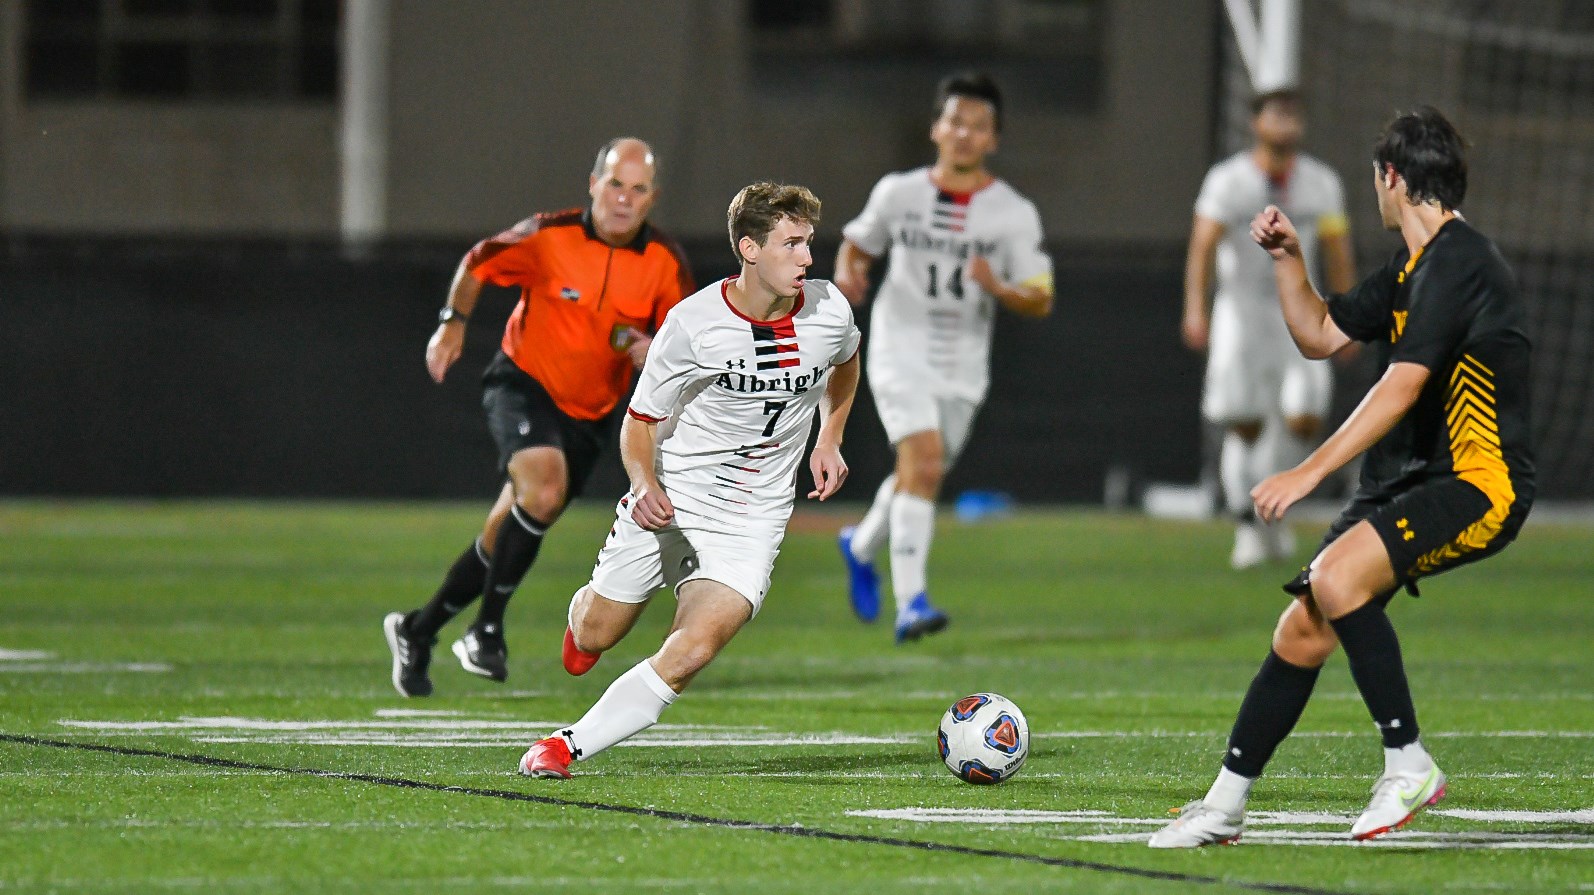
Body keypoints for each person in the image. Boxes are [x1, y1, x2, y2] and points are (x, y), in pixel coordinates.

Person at [1150, 107, 1534, 847]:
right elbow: (1321, 334)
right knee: (1300, 630)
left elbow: (1401, 386)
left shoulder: (1461, 263)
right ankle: (1225, 804)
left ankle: (1407, 758)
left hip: (1478, 482)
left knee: (1334, 580)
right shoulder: (1410, 270)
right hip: (1408, 482)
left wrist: (1306, 469)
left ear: (1391, 177)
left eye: (1377, 181)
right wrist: (1290, 260)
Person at [516, 181, 860, 778]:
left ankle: (563, 747)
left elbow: (847, 361)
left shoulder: (828, 311)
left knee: (693, 649)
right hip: (672, 500)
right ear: (749, 249)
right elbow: (639, 425)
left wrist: (829, 436)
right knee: (597, 633)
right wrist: (644, 484)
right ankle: (584, 624)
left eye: (809, 244)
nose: (807, 259)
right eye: (792, 244)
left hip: (752, 519)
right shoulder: (695, 323)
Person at [382, 138, 694, 697]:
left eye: (638, 188)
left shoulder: (665, 264)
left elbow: (677, 335)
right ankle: (486, 632)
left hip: (593, 412)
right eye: (615, 184)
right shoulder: (549, 237)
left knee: (510, 528)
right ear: (593, 184)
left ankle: (417, 629)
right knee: (544, 493)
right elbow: (478, 261)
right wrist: (452, 321)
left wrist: (648, 345)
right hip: (524, 383)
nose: (623, 198)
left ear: (653, 198)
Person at [833, 72, 1054, 643]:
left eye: (978, 126)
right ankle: (912, 601)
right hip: (898, 346)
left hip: (963, 361)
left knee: (920, 472)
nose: (963, 133)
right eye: (955, 121)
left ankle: (859, 546)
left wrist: (1002, 288)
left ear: (993, 140)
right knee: (925, 464)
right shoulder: (897, 193)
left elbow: (1042, 296)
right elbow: (860, 241)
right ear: (936, 128)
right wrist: (848, 270)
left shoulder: (1011, 212)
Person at [1183, 89, 1357, 569]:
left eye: (1294, 115)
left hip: (1301, 309)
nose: (1287, 123)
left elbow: (1339, 250)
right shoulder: (1229, 180)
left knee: (1304, 413)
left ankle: (1273, 512)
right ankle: (1249, 524)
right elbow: (1203, 244)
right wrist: (1195, 308)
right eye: (1277, 113)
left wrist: (1349, 317)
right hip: (1242, 312)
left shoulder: (1321, 182)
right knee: (1245, 421)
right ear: (1256, 121)